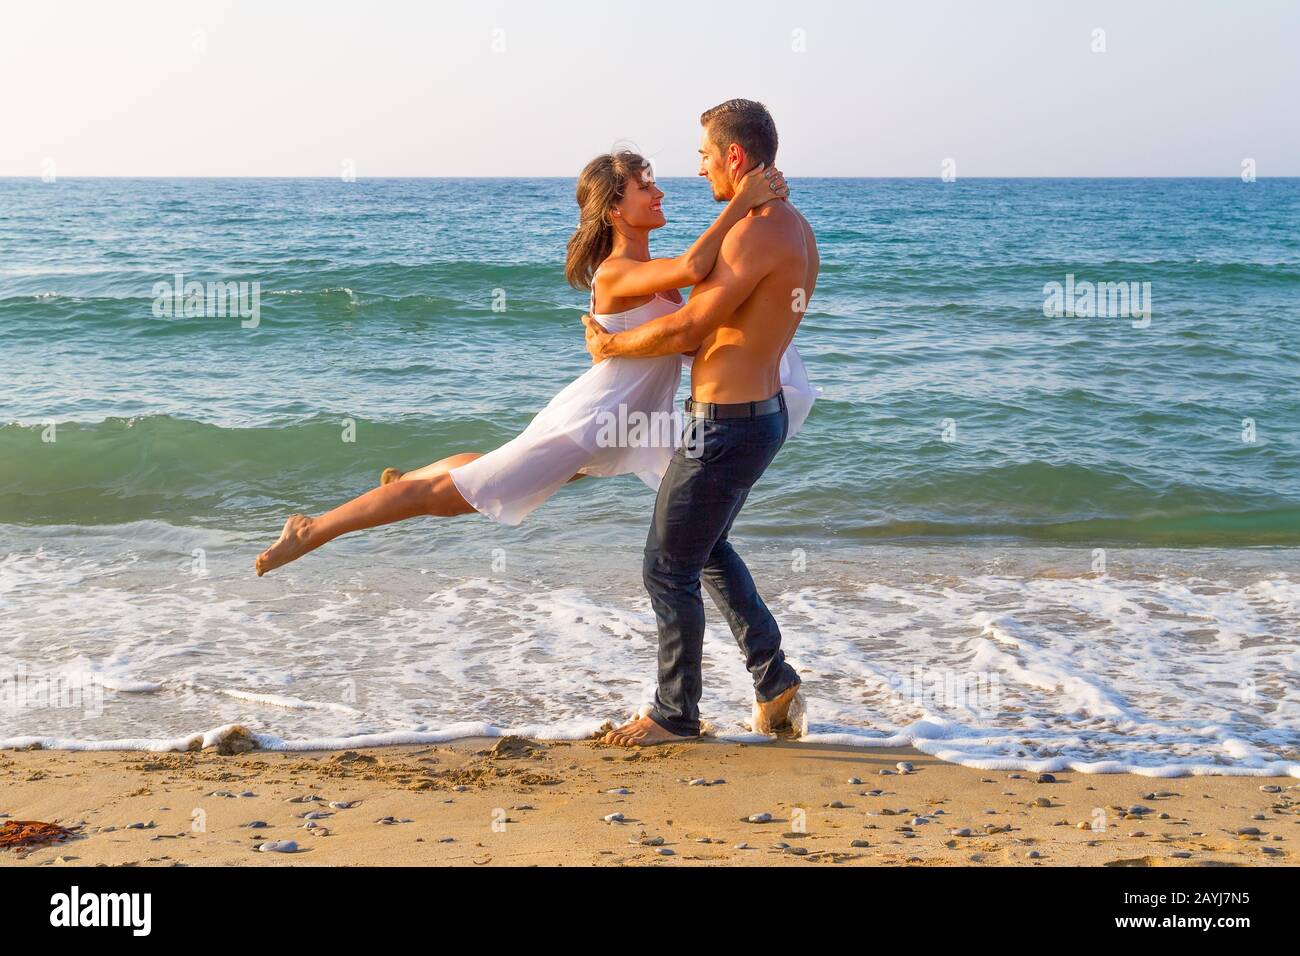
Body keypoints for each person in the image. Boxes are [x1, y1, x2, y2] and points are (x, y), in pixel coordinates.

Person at [253, 149, 815, 575]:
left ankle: (415, 475)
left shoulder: (654, 270)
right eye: (646, 187)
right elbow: (698, 265)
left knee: (521, 472)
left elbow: (689, 328)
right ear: (616, 208)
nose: (660, 192)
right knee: (458, 497)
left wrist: (761, 213)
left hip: (636, 418)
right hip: (597, 417)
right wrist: (745, 199)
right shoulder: (617, 271)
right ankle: (314, 527)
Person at [582, 99, 819, 746]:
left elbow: (689, 327)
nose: (701, 170)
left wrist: (611, 347)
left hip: (728, 424)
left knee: (666, 566)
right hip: (753, 416)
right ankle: (773, 680)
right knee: (705, 549)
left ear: (735, 157)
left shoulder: (755, 231)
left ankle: (674, 714)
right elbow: (709, 325)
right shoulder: (791, 225)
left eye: (706, 156)